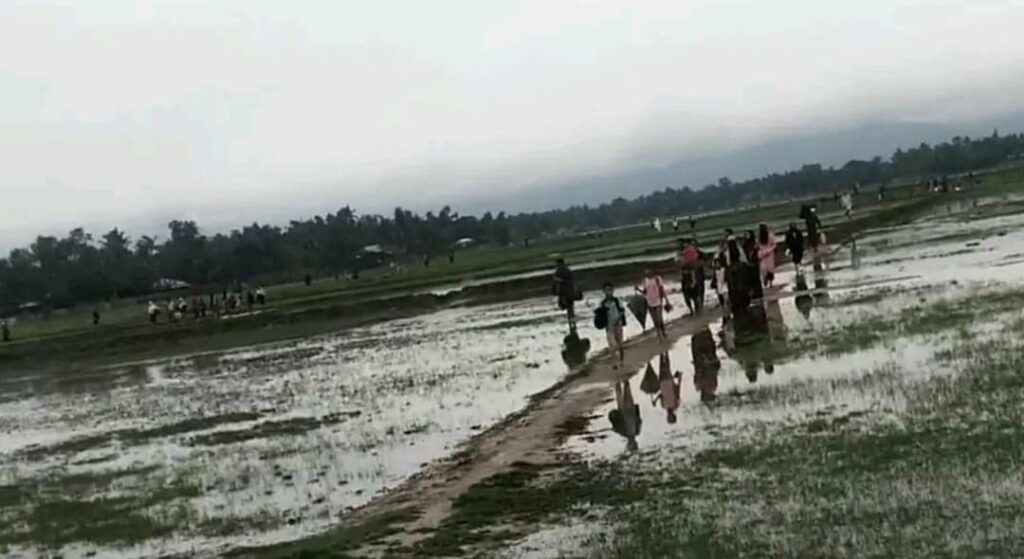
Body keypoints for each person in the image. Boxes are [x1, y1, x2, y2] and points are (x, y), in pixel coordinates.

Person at [596, 282, 627, 366]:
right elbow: (598, 314)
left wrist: (618, 318)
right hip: (608, 326)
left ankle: (621, 360)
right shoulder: (602, 303)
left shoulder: (617, 301)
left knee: (620, 344)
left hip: (618, 325)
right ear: (603, 291)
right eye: (606, 290)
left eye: (610, 290)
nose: (608, 292)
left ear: (613, 290)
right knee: (612, 344)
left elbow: (622, 311)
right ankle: (614, 362)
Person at [609, 380, 641, 451]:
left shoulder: (623, 433)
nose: (631, 442)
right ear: (635, 442)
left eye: (630, 444)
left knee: (620, 398)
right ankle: (626, 383)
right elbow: (639, 420)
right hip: (631, 412)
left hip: (622, 413)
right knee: (628, 396)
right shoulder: (637, 431)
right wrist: (637, 411)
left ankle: (617, 383)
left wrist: (614, 428)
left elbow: (616, 426)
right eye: (633, 444)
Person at [639, 268, 670, 340]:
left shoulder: (657, 278)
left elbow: (662, 289)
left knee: (659, 319)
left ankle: (663, 332)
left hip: (658, 300)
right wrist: (639, 290)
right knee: (655, 320)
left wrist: (666, 300)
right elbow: (645, 292)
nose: (647, 274)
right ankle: (659, 335)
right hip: (649, 301)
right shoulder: (645, 281)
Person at [652, 353, 681, 424]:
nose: (669, 415)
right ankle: (666, 351)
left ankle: (662, 352)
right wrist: (679, 379)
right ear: (674, 415)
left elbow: (661, 395)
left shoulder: (663, 406)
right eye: (670, 417)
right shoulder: (675, 405)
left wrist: (655, 401)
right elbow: (677, 391)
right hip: (669, 382)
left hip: (662, 383)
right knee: (666, 367)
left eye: (668, 418)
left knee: (661, 366)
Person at [679, 238, 705, 314]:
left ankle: (694, 308)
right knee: (695, 293)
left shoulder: (689, 253)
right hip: (692, 275)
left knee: (692, 293)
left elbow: (688, 265)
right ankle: (696, 307)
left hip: (692, 275)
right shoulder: (688, 253)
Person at [552, 258, 578, 332]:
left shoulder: (559, 272)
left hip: (565, 293)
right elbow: (573, 281)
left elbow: (557, 283)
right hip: (567, 293)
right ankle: (572, 323)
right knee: (570, 308)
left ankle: (571, 324)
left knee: (568, 308)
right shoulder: (567, 271)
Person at [757, 224, 777, 288]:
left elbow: (774, 244)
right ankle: (765, 279)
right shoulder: (758, 237)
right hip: (762, 254)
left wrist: (769, 250)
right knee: (763, 269)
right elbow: (757, 245)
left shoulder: (770, 236)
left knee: (770, 269)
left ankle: (770, 282)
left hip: (769, 254)